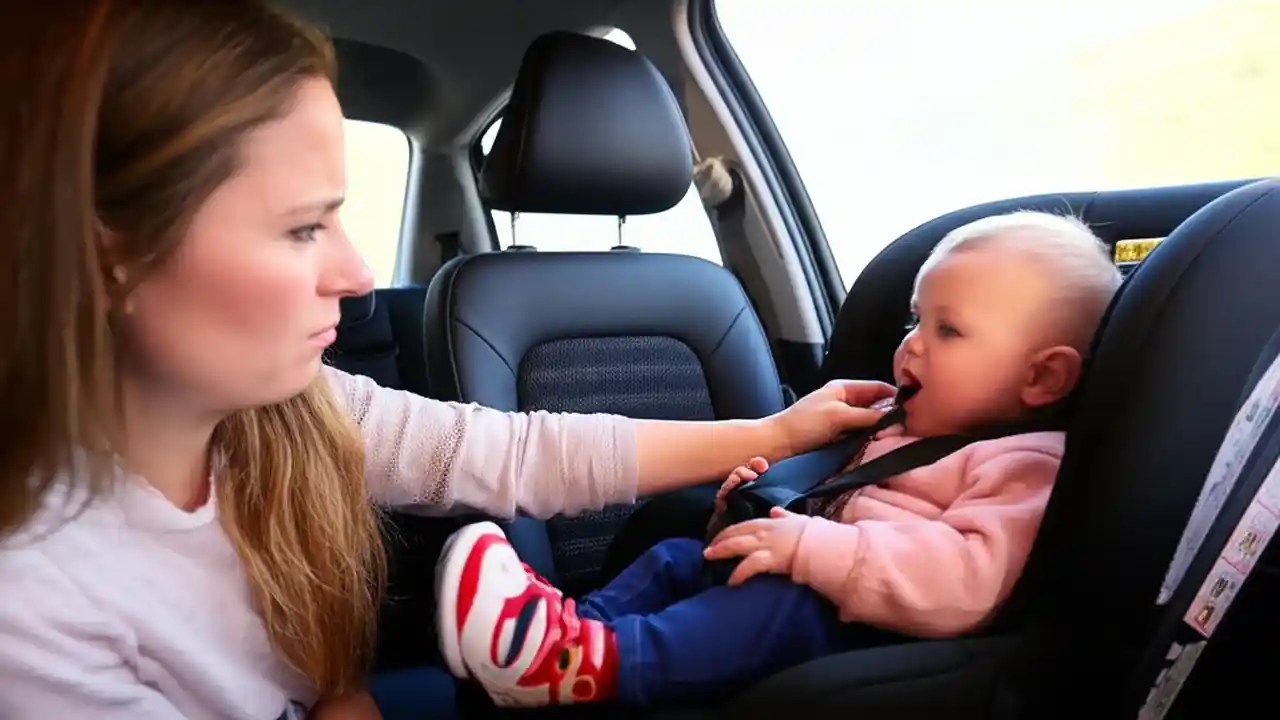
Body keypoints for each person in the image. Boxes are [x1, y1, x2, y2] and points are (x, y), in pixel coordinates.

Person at [0, 2, 899, 718]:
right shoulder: (31, 611)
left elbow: (520, 452)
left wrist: (781, 432)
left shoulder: (298, 415)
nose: (357, 276)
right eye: (303, 228)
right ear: (107, 257)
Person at [436, 210, 1125, 708]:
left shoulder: (1027, 464)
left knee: (779, 606)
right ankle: (565, 632)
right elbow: (842, 509)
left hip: (869, 629)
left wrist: (808, 548)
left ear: (1043, 378)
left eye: (948, 331)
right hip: (820, 580)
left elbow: (966, 581)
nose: (911, 344)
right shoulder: (897, 432)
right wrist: (751, 516)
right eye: (915, 320)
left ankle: (588, 664)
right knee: (680, 557)